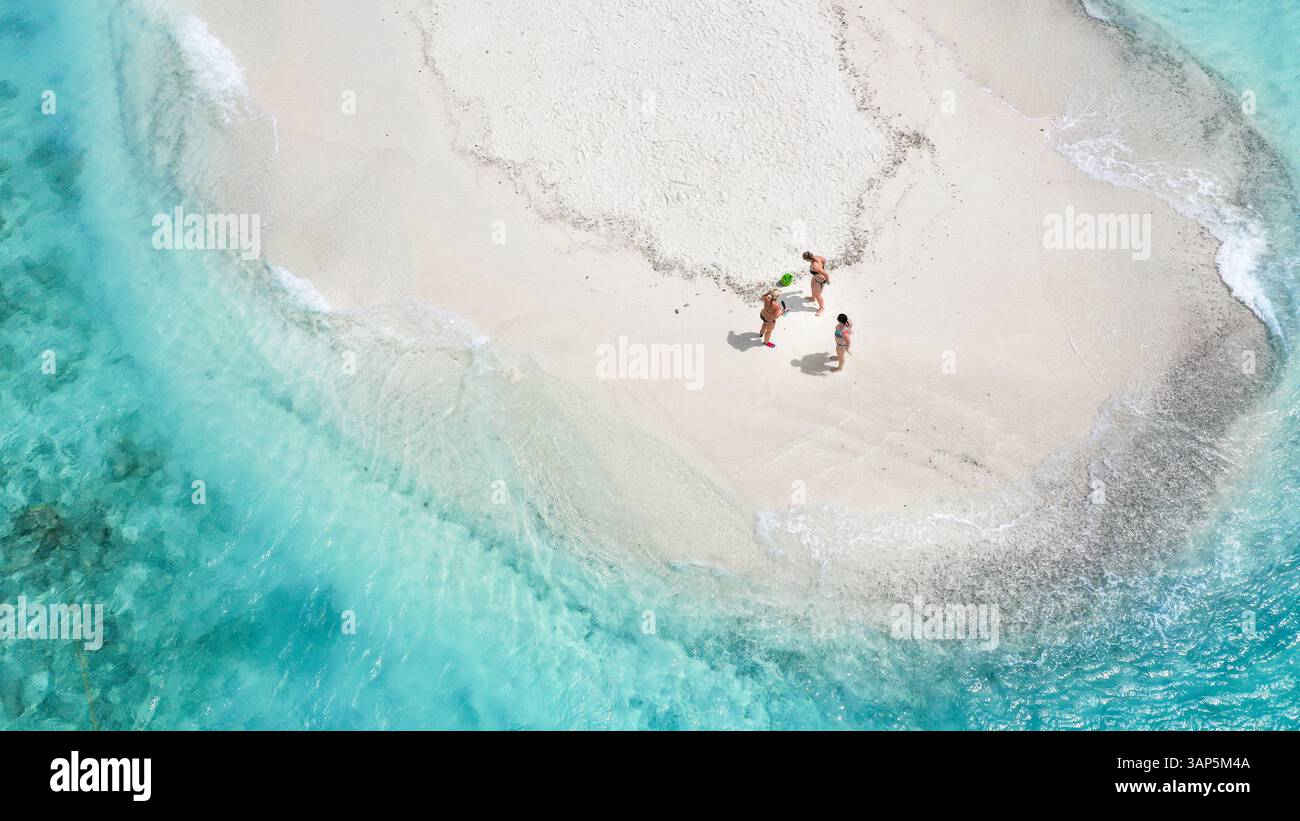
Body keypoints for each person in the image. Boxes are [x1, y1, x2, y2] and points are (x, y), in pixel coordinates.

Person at [802, 251, 830, 316]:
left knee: (818, 294)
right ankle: (812, 298)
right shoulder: (816, 257)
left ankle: (821, 307)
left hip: (820, 280)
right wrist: (822, 266)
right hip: (815, 276)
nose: (805, 260)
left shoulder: (815, 266)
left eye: (805, 259)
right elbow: (824, 260)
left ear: (807, 259)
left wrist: (828, 281)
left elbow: (826, 274)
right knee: (812, 286)